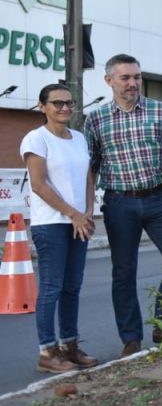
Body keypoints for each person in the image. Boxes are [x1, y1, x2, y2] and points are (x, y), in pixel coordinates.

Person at [84, 54, 162, 357]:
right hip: (119, 203)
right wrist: (86, 208)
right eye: (125, 78)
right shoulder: (95, 119)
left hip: (159, 198)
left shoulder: (161, 110)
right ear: (109, 81)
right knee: (123, 271)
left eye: (137, 77)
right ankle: (130, 338)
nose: (133, 83)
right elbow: (91, 167)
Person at [20, 84, 99, 373]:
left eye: (69, 103)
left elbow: (89, 178)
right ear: (43, 107)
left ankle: (69, 345)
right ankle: (47, 351)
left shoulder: (78, 138)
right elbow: (39, 185)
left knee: (72, 288)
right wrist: (73, 214)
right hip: (51, 223)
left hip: (79, 222)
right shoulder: (36, 139)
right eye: (57, 103)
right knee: (52, 288)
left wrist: (88, 212)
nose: (65, 108)